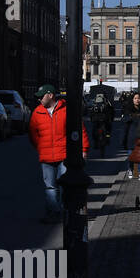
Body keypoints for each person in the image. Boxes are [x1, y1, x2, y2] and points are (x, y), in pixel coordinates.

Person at [28, 85, 88, 224]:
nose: (39, 99)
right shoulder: (37, 112)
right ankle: (55, 212)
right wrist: (41, 147)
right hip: (46, 157)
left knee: (65, 185)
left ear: (50, 95)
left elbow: (80, 129)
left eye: (41, 96)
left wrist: (84, 149)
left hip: (63, 156)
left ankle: (66, 211)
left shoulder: (66, 110)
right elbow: (32, 133)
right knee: (50, 188)